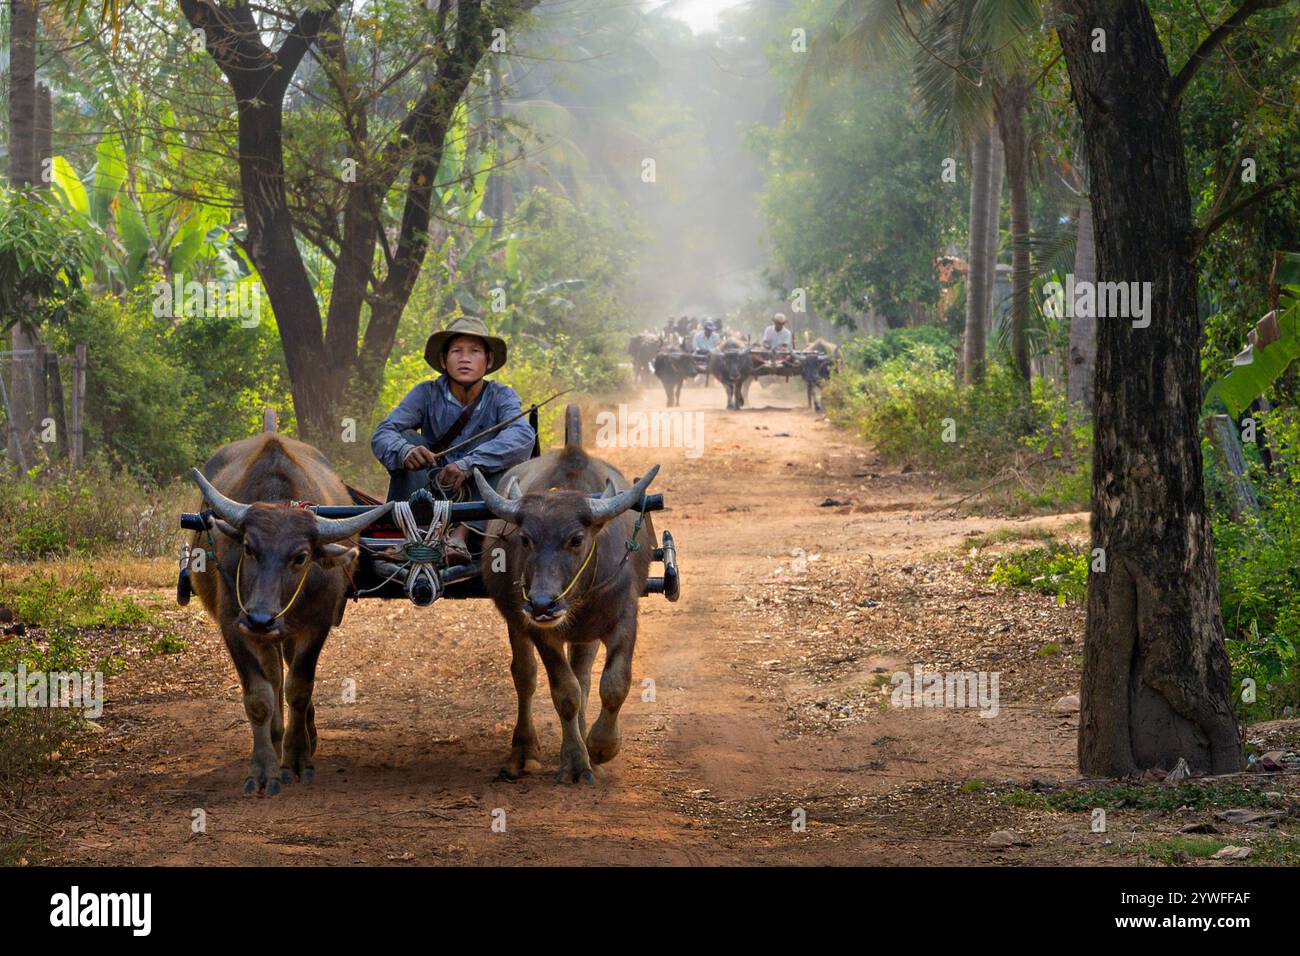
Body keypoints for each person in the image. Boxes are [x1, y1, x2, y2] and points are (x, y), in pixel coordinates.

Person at [371, 316, 535, 564]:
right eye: (457, 351)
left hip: (480, 492)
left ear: (488, 360)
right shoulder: (425, 393)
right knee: (405, 438)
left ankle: (460, 536)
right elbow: (384, 432)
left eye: (475, 351)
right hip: (431, 487)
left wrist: (468, 464)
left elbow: (522, 436)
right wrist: (405, 451)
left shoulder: (502, 396)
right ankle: (417, 536)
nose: (465, 358)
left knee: (504, 450)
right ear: (443, 360)